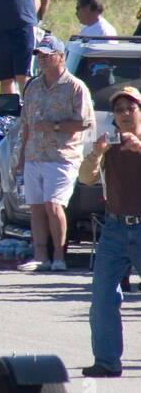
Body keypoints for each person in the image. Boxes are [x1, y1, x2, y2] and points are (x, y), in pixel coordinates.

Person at [16, 35, 91, 272]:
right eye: (39, 56)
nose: (42, 60)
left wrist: (56, 126)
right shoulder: (33, 87)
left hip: (62, 157)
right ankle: (40, 256)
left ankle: (58, 256)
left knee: (54, 205)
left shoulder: (75, 86)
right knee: (37, 206)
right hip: (33, 155)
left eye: (48, 56)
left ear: (60, 57)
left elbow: (85, 122)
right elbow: (26, 124)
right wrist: (21, 158)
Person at [80, 86, 141, 377]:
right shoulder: (110, 144)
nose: (126, 114)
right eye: (119, 110)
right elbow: (86, 178)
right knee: (102, 296)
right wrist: (96, 153)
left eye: (131, 108)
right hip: (115, 227)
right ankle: (106, 361)